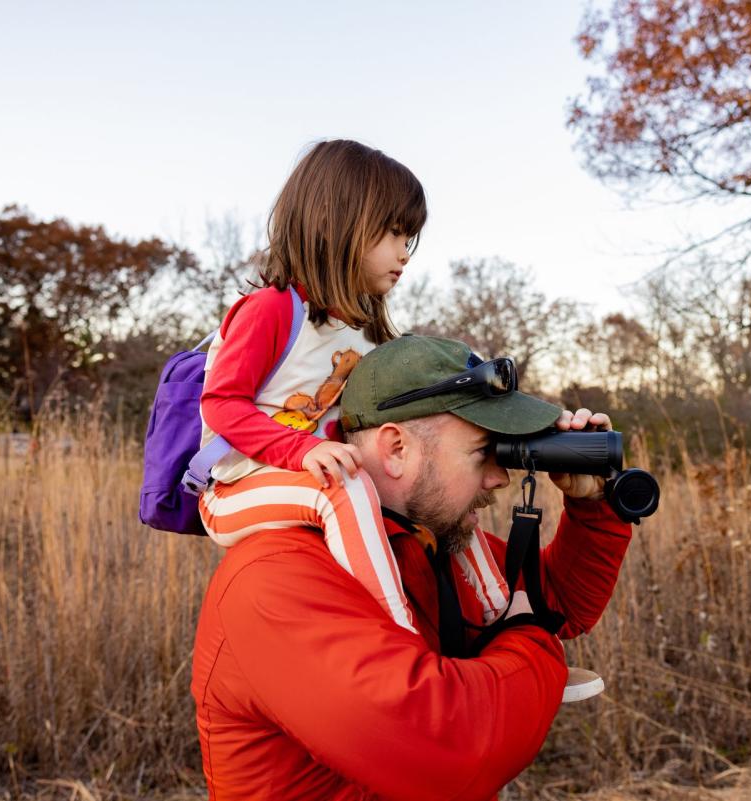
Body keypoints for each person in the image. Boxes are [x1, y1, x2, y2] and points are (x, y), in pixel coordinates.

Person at [191, 334, 634, 800]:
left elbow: (561, 605)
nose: (499, 478)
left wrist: (593, 505)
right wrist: (527, 634)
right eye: (483, 450)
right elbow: (453, 752)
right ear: (397, 448)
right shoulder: (276, 579)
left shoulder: (420, 540)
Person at [196, 139, 514, 643]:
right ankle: (402, 641)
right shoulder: (273, 310)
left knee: (448, 495)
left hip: (321, 474)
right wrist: (304, 449)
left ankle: (505, 623)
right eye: (394, 234)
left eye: (410, 238)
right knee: (342, 488)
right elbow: (220, 406)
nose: (405, 253)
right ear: (339, 222)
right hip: (236, 488)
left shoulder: (366, 329)